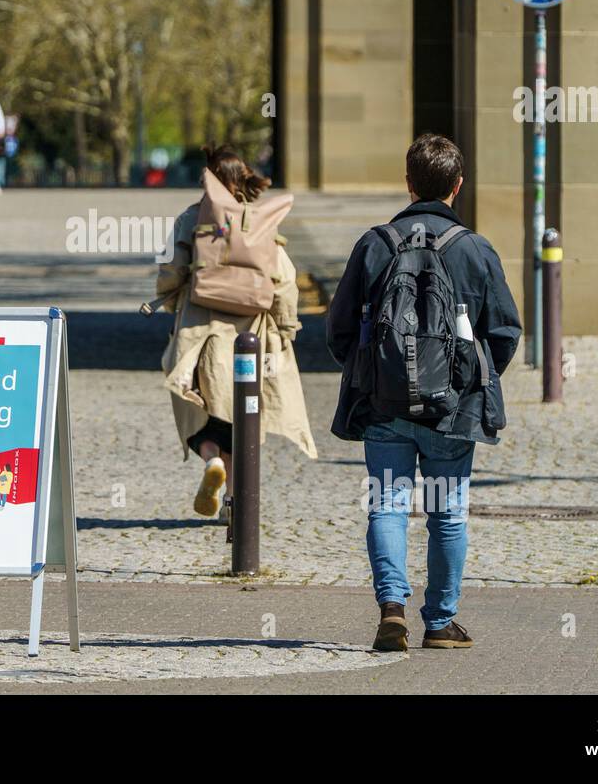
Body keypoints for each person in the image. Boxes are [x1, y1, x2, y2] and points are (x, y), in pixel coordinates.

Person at [326, 134, 521, 652]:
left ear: (408, 182)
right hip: (451, 412)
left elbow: (339, 331)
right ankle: (439, 621)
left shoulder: (375, 243)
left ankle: (392, 608)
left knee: (386, 504)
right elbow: (504, 332)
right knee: (448, 511)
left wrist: (376, 372)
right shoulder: (474, 249)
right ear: (459, 186)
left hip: (384, 404)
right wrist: (468, 379)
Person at [155, 144, 316, 519]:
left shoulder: (190, 219)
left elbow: (169, 268)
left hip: (201, 330)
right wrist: (287, 326)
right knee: (243, 417)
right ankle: (233, 503)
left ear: (206, 179)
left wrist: (167, 298)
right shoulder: (258, 222)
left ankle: (212, 461)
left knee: (201, 412)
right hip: (250, 335)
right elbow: (284, 279)